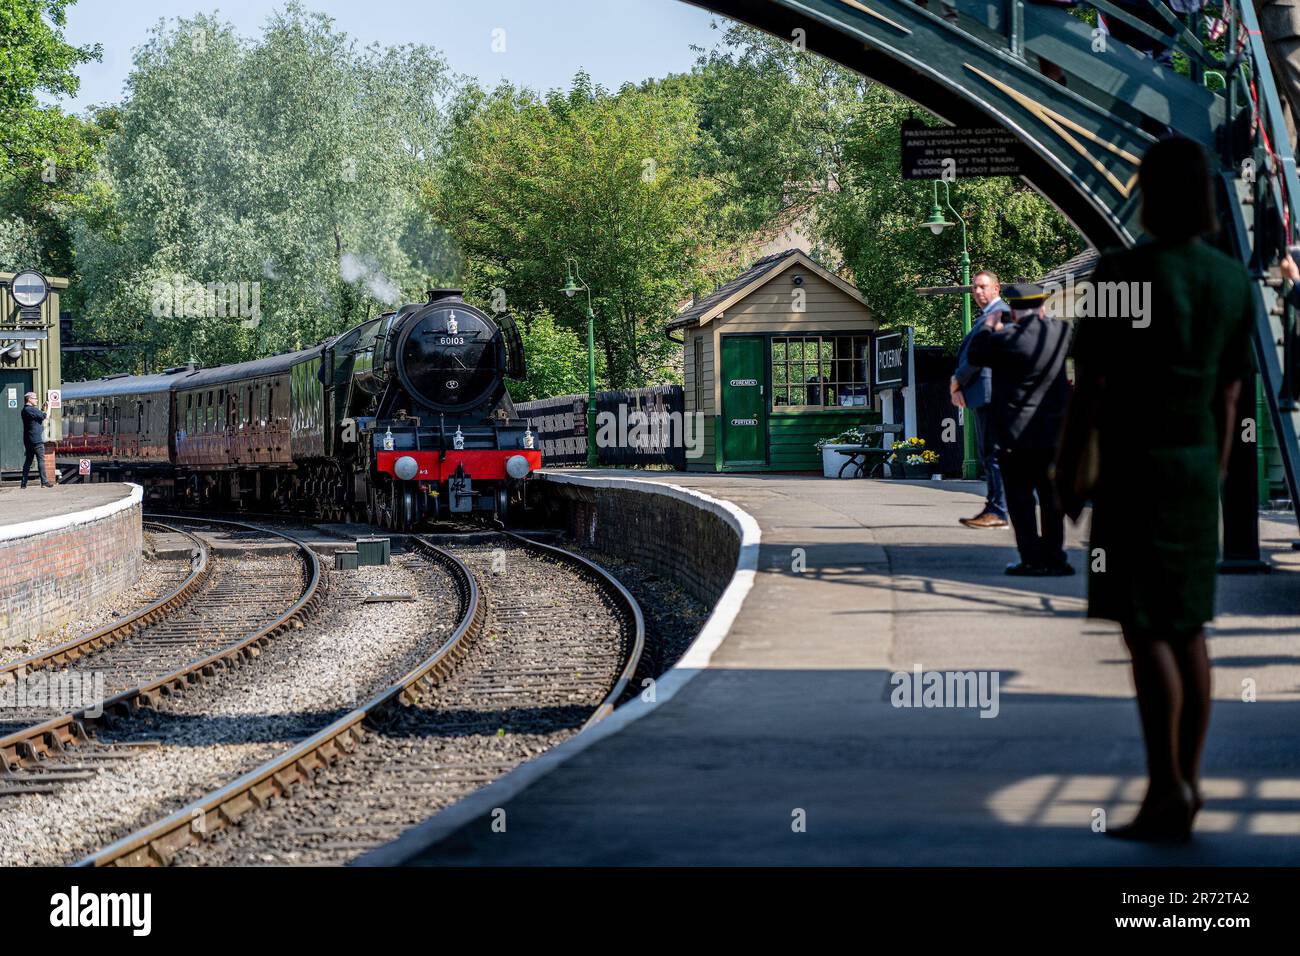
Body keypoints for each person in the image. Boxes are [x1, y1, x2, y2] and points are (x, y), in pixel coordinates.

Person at [1056, 136, 1254, 842]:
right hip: (1197, 466)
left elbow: (1090, 389)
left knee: (1146, 634)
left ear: (1148, 192)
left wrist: (1067, 473)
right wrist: (1218, 468)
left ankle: (1165, 788)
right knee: (1189, 628)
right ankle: (1189, 783)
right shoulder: (1232, 281)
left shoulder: (1120, 273)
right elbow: (1230, 395)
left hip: (1133, 470)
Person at [966, 283, 1072, 576]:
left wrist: (989, 325)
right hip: (1053, 433)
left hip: (1016, 435)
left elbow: (975, 354)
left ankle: (1031, 558)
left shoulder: (1006, 338)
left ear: (1012, 311)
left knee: (1022, 501)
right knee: (1052, 500)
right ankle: (1056, 557)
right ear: (1042, 307)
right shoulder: (1061, 333)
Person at [951, 270, 1011, 529]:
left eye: (983, 287)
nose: (977, 292)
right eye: (974, 287)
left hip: (991, 392)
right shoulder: (988, 316)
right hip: (983, 392)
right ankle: (993, 506)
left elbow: (982, 353)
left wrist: (958, 379)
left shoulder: (1000, 314)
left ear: (996, 288)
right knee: (988, 453)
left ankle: (999, 510)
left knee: (993, 453)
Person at [20, 392, 54, 489]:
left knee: (28, 461)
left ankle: (23, 483)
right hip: (36, 439)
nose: (37, 400)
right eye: (35, 398)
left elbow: (38, 417)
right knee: (41, 460)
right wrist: (50, 406)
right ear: (29, 399)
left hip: (28, 439)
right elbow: (45, 417)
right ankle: (44, 482)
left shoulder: (25, 410)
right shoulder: (31, 409)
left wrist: (43, 409)